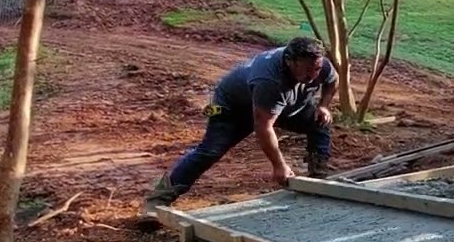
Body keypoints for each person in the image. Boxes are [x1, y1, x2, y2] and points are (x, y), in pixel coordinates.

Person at [137, 36, 338, 227]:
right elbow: (263, 127)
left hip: (281, 106)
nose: (313, 76)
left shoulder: (319, 66)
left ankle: (317, 176)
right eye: (307, 70)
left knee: (319, 121)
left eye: (317, 69)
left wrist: (324, 105)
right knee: (209, 151)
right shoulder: (269, 80)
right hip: (235, 108)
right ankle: (157, 200)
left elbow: (332, 81)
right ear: (290, 61)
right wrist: (279, 166)